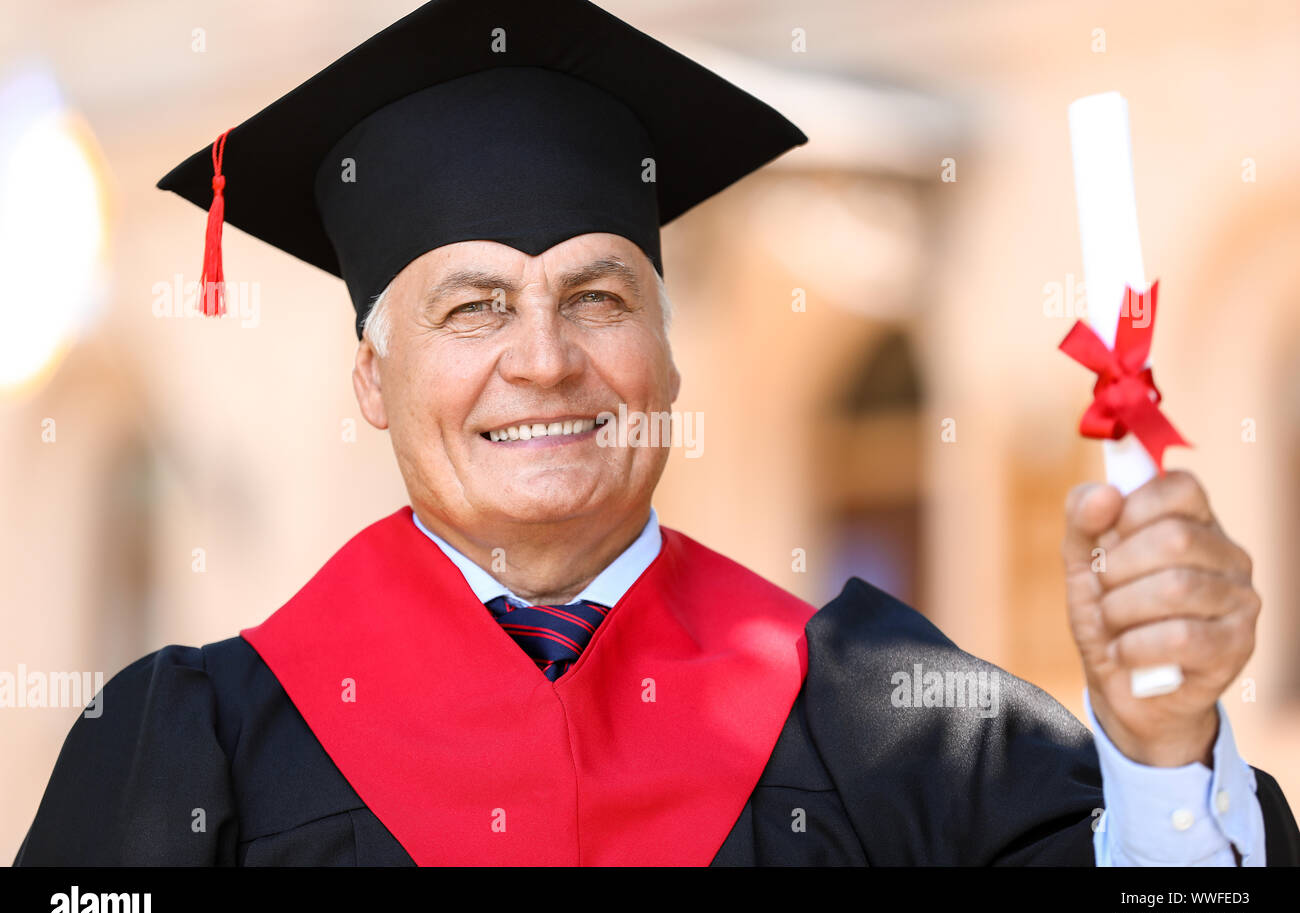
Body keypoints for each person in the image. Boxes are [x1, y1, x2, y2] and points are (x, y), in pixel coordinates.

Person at [14, 0, 1299, 866]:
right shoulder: (193, 747)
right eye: (474, 307)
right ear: (372, 376)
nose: (544, 357)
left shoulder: (888, 718)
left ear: (666, 354)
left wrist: (1161, 746)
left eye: (597, 295)